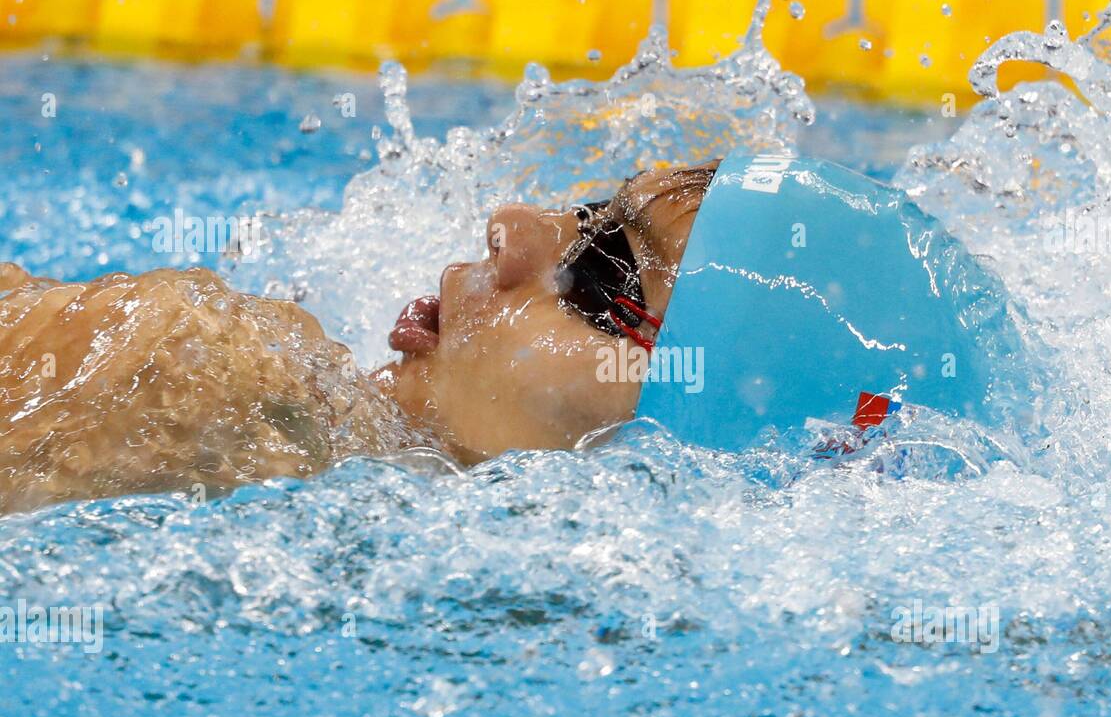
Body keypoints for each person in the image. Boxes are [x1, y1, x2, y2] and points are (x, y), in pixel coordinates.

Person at [0, 155, 1028, 512]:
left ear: (691, 425)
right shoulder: (209, 365)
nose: (512, 225)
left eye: (600, 271)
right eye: (586, 214)